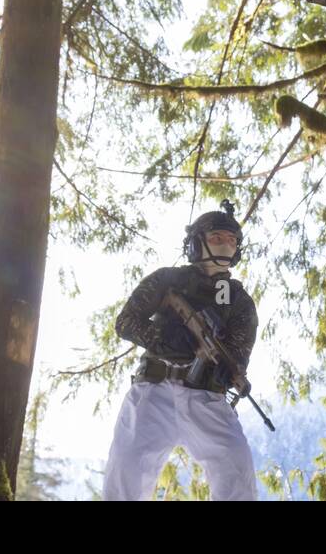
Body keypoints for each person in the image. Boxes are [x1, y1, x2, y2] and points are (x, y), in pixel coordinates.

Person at [102, 201, 259, 501]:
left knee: (236, 471)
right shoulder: (168, 280)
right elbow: (126, 322)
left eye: (232, 240)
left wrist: (230, 370)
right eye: (217, 238)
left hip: (206, 397)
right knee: (126, 476)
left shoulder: (238, 300)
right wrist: (163, 341)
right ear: (196, 243)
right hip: (152, 391)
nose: (226, 245)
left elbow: (238, 353)